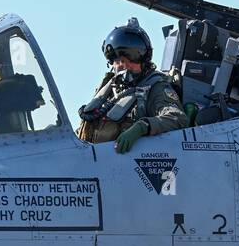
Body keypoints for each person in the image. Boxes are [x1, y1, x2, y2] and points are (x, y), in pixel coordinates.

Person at [77, 18, 187, 153]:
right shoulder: (109, 89)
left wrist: (142, 127)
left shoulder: (156, 87)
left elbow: (178, 118)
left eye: (131, 59)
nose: (124, 67)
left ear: (143, 59)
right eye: (119, 61)